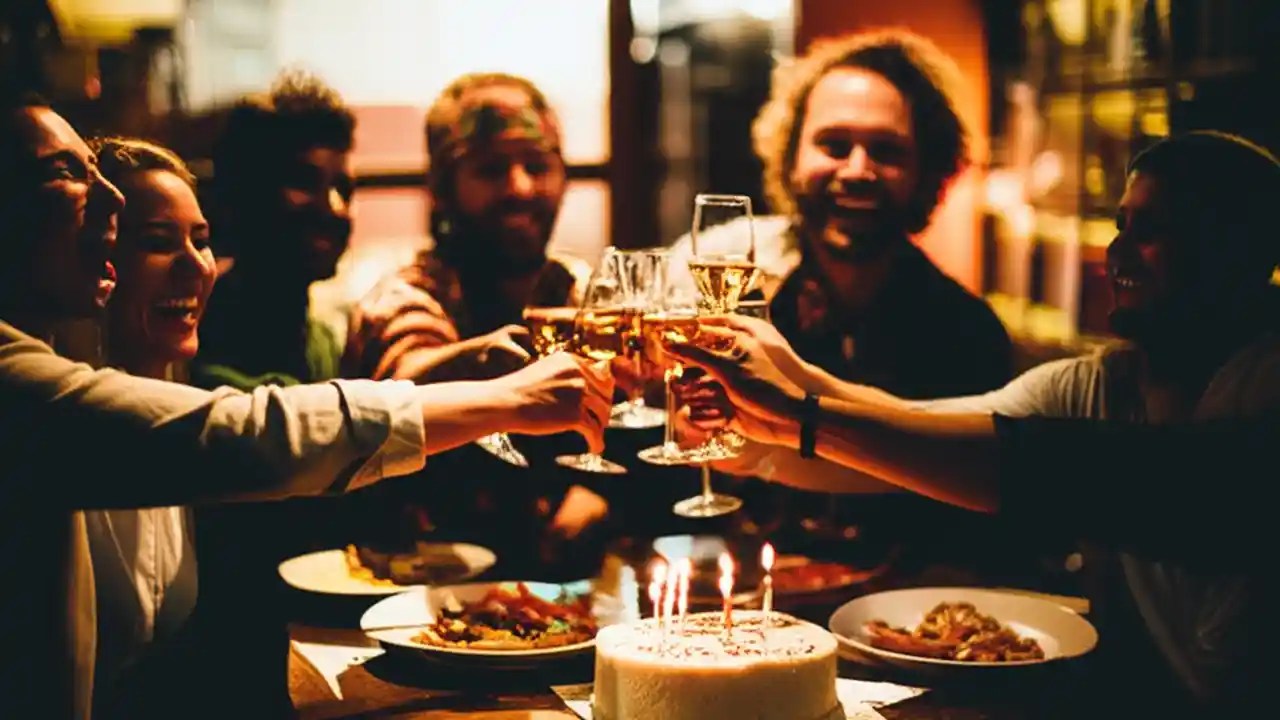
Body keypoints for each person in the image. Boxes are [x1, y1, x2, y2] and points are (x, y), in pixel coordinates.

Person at [0, 96, 613, 720]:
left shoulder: (167, 366)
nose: (193, 265)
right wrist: (505, 398)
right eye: (64, 173)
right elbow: (250, 433)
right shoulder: (28, 391)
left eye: (201, 240)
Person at [669, 131, 1277, 714]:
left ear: (1237, 252)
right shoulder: (1098, 383)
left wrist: (796, 417)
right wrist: (776, 395)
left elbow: (1059, 468)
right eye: (1122, 226)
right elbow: (914, 427)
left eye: (1153, 232)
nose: (1117, 252)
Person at [669, 29, 1014, 573]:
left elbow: (979, 526)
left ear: (929, 170)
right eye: (833, 145)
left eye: (887, 150)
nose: (857, 170)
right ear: (790, 157)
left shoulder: (966, 332)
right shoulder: (721, 278)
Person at [341, 72, 611, 573]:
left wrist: (596, 490)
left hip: (564, 604)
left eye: (538, 165)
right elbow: (407, 375)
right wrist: (484, 363)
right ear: (442, 190)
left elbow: (633, 427)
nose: (520, 188)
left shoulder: (578, 290)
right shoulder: (408, 293)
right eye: (490, 170)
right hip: (414, 599)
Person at [80, 137, 212, 717]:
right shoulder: (59, 418)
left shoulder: (178, 406)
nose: (195, 265)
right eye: (159, 243)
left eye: (201, 241)